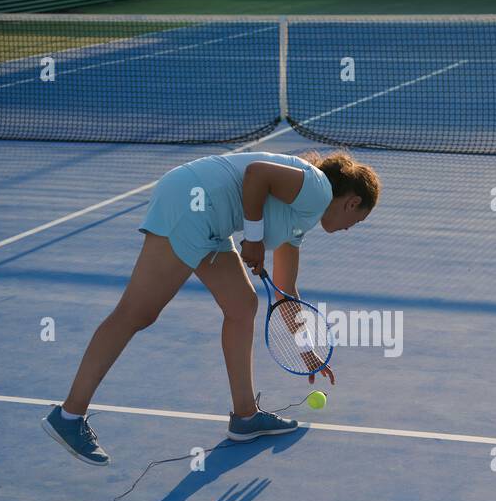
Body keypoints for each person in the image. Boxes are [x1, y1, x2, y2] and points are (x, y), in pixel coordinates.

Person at [42, 150, 380, 465]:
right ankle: (70, 415)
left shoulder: (300, 221)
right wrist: (255, 238)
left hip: (210, 218)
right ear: (352, 202)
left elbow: (285, 292)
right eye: (360, 220)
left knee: (243, 305)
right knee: (137, 312)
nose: (352, 228)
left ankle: (246, 416)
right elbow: (256, 175)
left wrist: (307, 350)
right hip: (190, 203)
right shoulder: (317, 189)